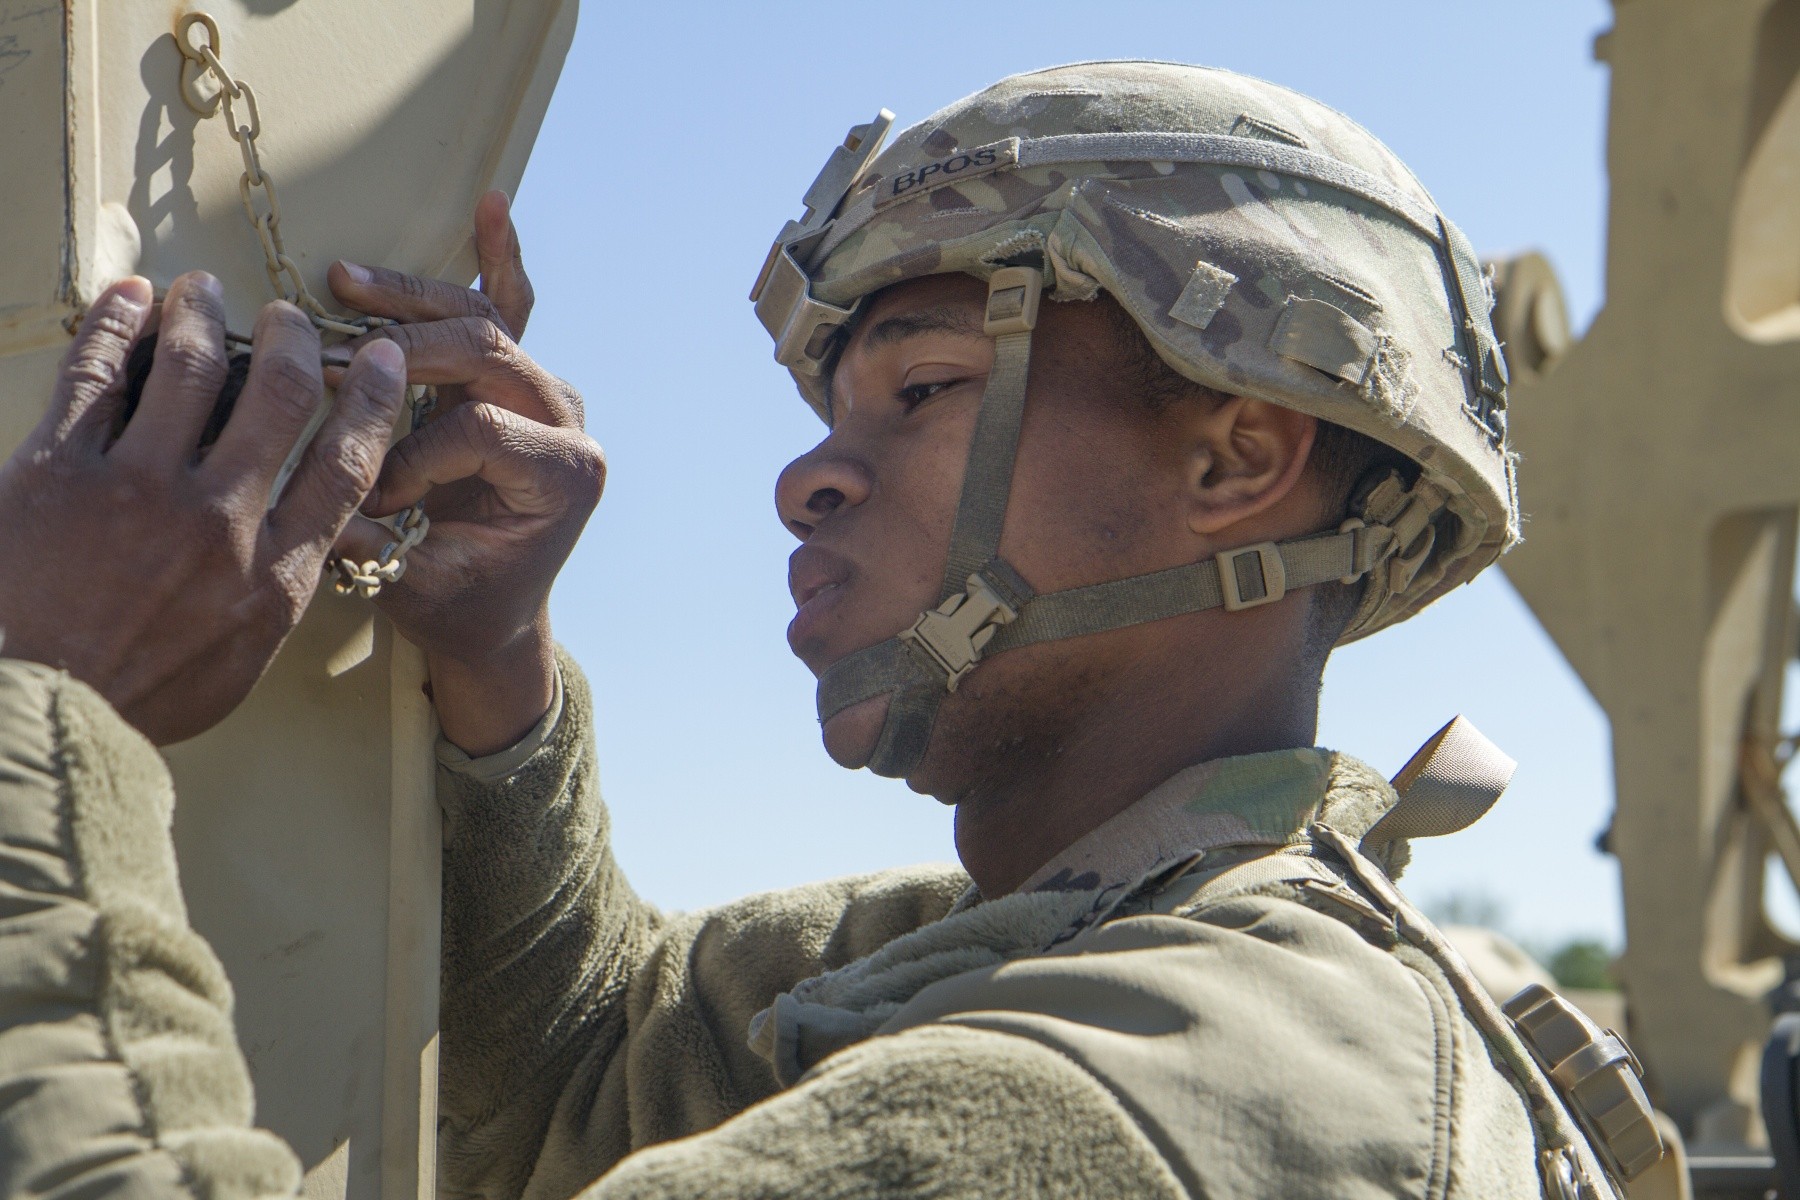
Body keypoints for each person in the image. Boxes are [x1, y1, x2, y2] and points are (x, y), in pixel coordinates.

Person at [0, 63, 1645, 1199]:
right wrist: (498, 674)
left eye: (922, 391)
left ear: (1235, 461)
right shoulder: (1080, 936)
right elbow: (592, 1088)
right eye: (831, 411)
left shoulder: (1149, 1087)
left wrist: (42, 700)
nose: (807, 481)